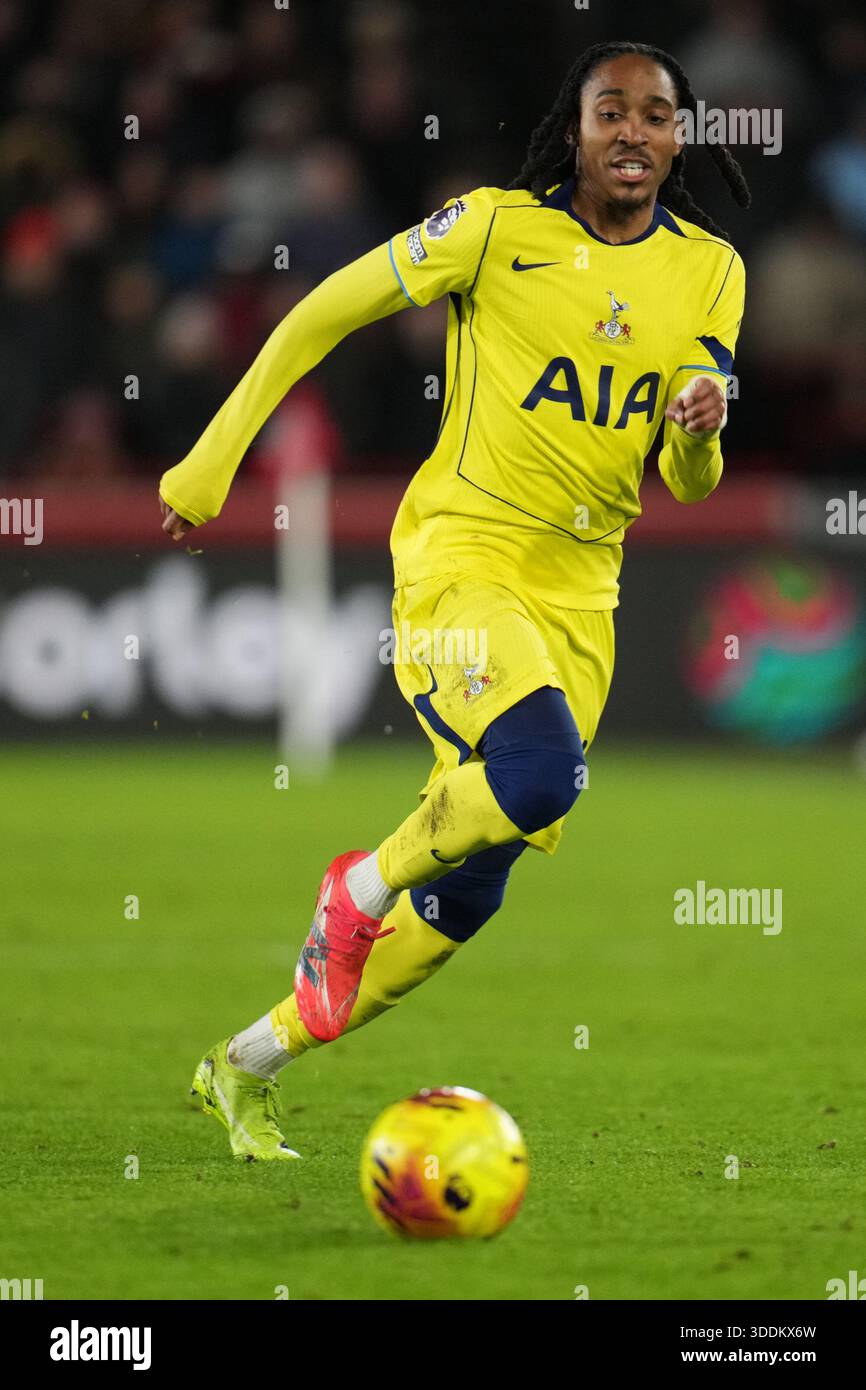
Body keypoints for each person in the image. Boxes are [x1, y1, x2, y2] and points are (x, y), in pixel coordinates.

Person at [158, 41, 749, 1160]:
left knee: (472, 891)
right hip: (461, 558)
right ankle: (357, 884)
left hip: (582, 598)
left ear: (681, 138)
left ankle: (245, 1063)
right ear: (571, 133)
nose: (632, 131)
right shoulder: (489, 229)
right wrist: (211, 460)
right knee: (534, 772)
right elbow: (319, 313)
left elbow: (684, 482)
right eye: (608, 111)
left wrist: (700, 434)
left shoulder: (711, 271)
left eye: (656, 115)